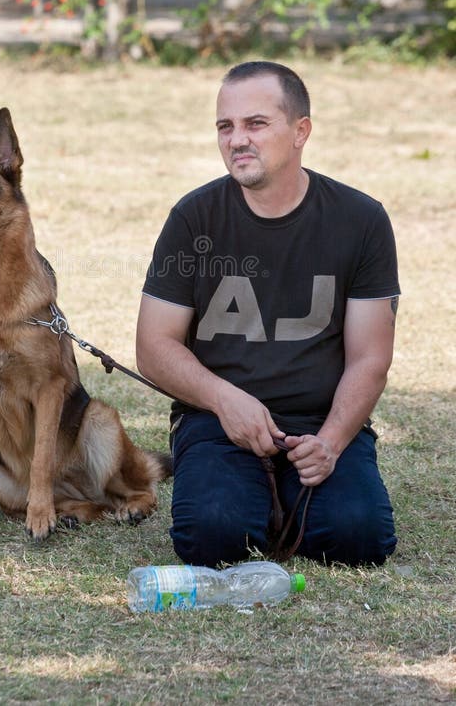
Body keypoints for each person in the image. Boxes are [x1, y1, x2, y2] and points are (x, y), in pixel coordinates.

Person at [136, 60, 400, 569]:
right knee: (210, 539)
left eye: (256, 124)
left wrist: (331, 442)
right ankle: (254, 499)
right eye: (225, 126)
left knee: (358, 541)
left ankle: (285, 495)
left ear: (301, 131)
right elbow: (154, 346)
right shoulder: (194, 219)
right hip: (219, 418)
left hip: (320, 420)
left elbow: (370, 358)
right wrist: (223, 400)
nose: (238, 140)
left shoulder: (360, 219)